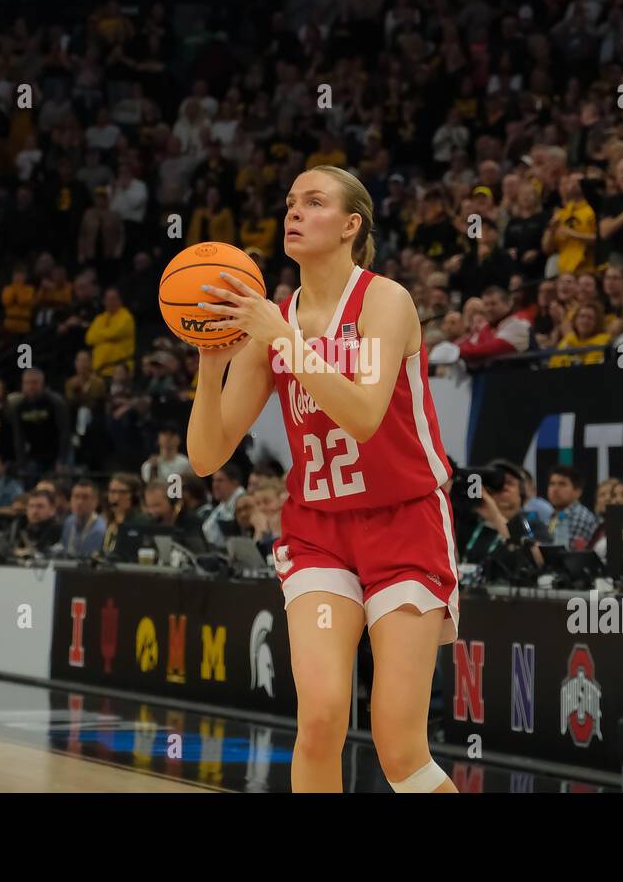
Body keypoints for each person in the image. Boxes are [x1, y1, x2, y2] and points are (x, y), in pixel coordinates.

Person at [187, 165, 458, 793]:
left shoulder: (385, 300)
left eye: (313, 203)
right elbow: (206, 455)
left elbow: (364, 416)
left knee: (400, 749)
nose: (294, 212)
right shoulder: (271, 322)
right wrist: (209, 362)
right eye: (290, 203)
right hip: (319, 531)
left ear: (350, 225)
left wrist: (286, 340)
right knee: (319, 722)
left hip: (405, 522)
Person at [545, 465, 598, 551]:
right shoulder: (554, 515)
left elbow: (568, 555)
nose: (555, 489)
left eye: (562, 484)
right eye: (552, 484)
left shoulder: (580, 516)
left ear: (578, 491)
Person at [59, 479, 107, 556]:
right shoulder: (69, 522)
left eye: (85, 497)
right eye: (76, 496)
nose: (79, 502)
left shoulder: (101, 529)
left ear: (95, 501)